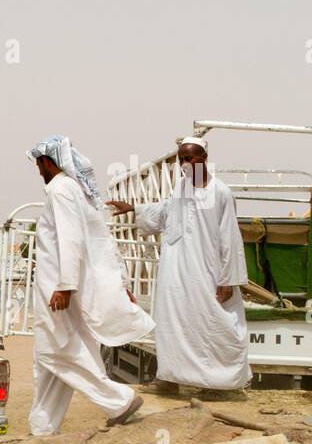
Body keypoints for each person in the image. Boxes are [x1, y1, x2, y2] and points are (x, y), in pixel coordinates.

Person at [26, 135, 155, 436]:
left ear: (47, 161)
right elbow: (97, 242)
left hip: (56, 289)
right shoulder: (74, 191)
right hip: (60, 287)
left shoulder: (60, 189)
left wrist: (65, 286)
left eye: (38, 164)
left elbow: (72, 239)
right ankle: (42, 428)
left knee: (54, 353)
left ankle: (118, 401)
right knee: (52, 359)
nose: (37, 170)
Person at [106, 137, 250, 395]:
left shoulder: (221, 193)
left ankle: (218, 384)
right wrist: (134, 208)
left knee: (213, 325)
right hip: (176, 273)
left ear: (203, 158)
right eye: (181, 159)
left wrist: (228, 279)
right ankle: (169, 379)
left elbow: (230, 238)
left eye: (189, 158)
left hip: (208, 274)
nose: (184, 164)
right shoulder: (180, 188)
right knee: (173, 323)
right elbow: (166, 212)